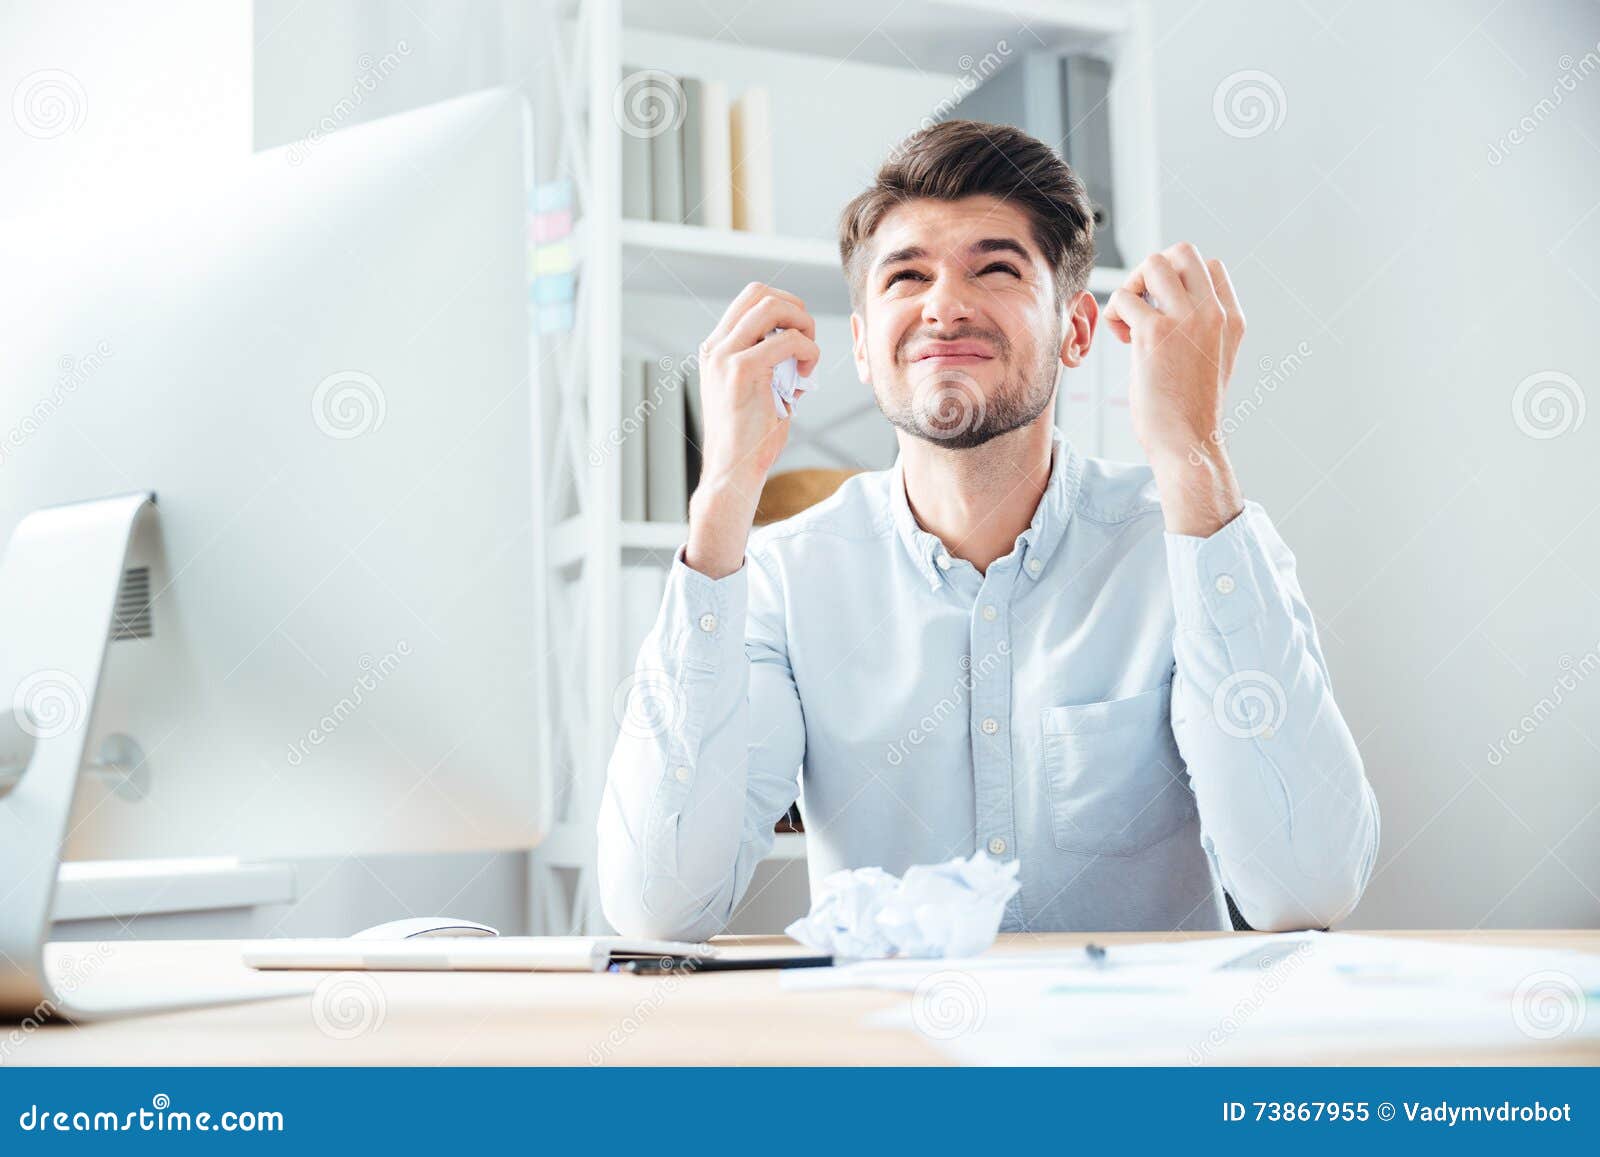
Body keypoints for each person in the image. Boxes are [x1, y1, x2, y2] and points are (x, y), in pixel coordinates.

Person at [598, 119, 1379, 941]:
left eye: (995, 268)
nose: (945, 305)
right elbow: (659, 906)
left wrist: (1194, 453)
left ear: (1077, 331)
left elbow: (1308, 888)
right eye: (907, 275)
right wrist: (721, 493)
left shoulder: (1187, 545)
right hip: (895, 1064)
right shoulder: (783, 577)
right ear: (863, 347)